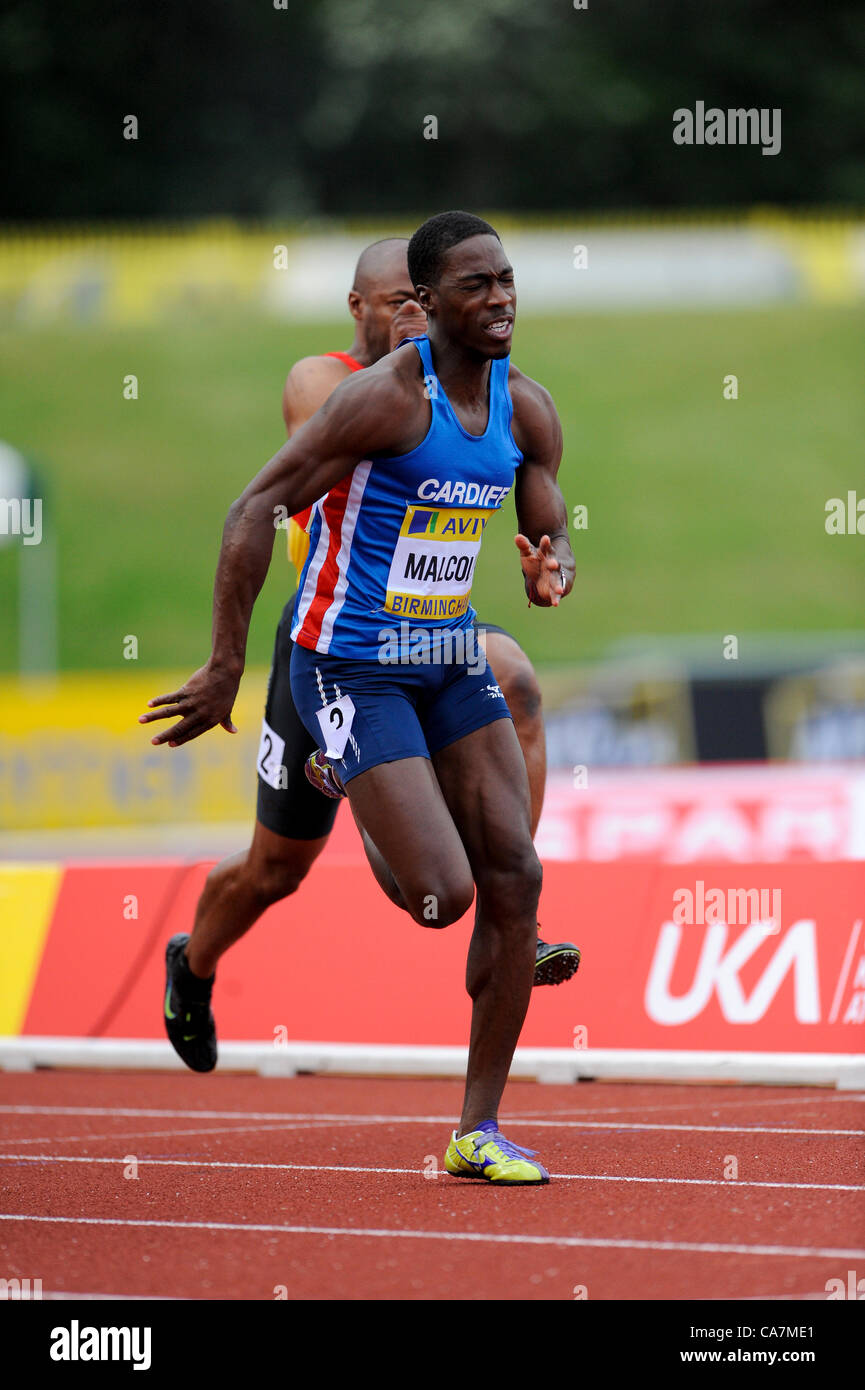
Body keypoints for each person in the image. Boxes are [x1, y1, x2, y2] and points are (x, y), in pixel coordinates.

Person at [142, 211, 576, 1183]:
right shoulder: (375, 401)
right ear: (425, 306)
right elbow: (255, 505)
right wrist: (222, 666)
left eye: (507, 280)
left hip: (445, 651)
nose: (500, 298)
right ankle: (342, 776)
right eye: (477, 285)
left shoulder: (528, 405)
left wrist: (554, 560)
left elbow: (543, 503)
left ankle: (476, 1128)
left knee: (515, 875)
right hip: (347, 661)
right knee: (440, 894)